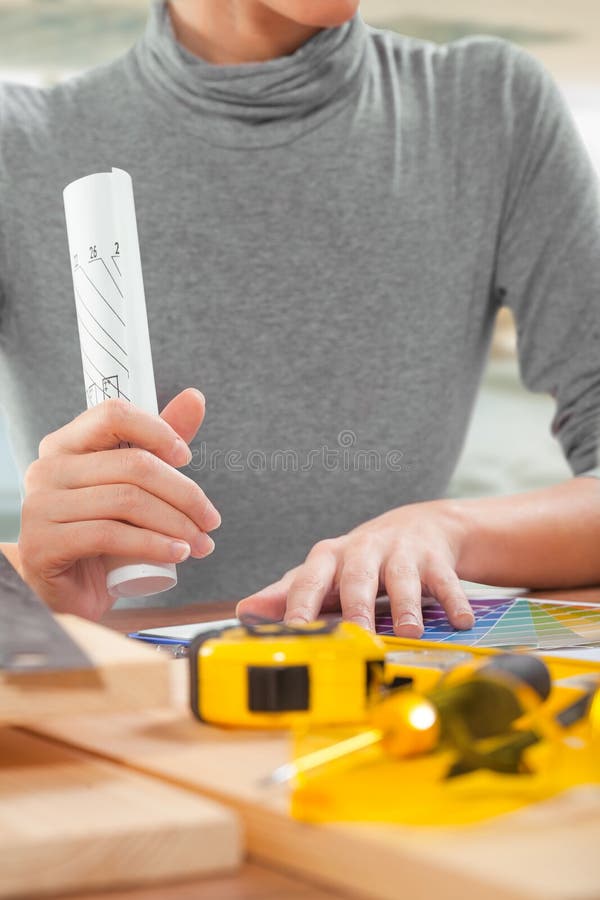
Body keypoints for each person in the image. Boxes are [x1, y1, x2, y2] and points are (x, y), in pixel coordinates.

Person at [0, 0, 599, 633]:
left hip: (388, 693)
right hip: (122, 709)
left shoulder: (490, 107)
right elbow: (34, 589)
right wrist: (32, 586)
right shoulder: (20, 147)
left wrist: (450, 531)